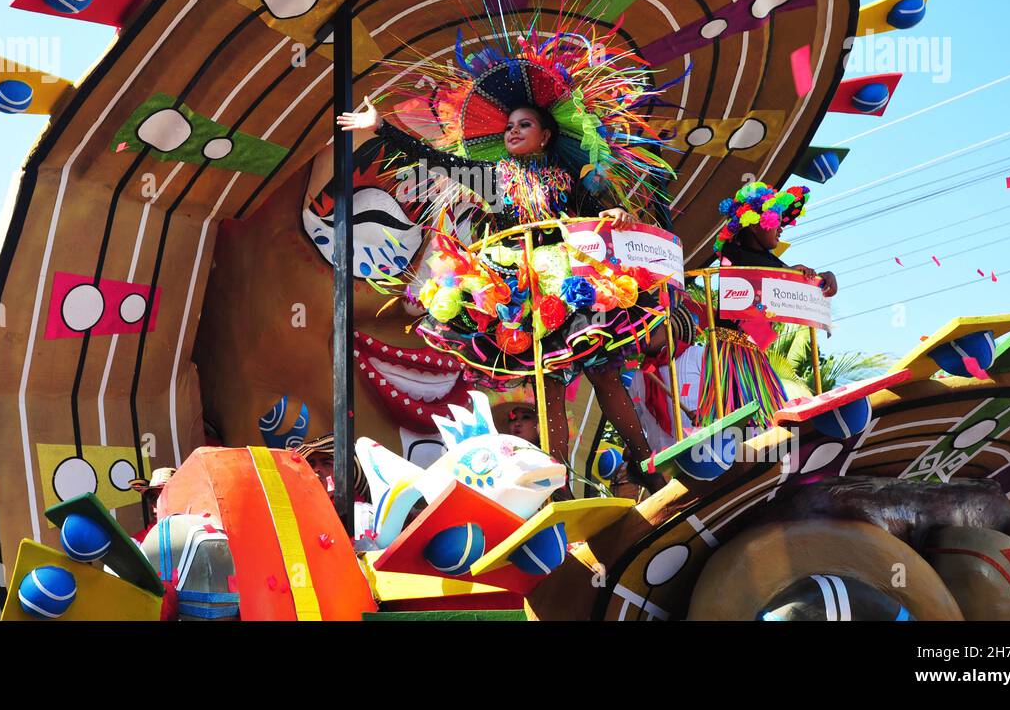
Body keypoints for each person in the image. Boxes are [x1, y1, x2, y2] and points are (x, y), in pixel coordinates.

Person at [338, 27, 690, 495]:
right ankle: (558, 483)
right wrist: (381, 127)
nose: (513, 131)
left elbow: (597, 212)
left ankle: (646, 461)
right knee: (546, 386)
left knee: (604, 372)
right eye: (508, 127)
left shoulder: (572, 174)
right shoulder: (492, 178)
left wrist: (616, 213)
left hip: (578, 284)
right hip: (522, 290)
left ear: (546, 134)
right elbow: (429, 156)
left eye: (524, 125)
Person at [699, 181, 838, 426]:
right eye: (777, 221)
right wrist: (789, 272)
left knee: (766, 412)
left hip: (753, 351)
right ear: (754, 224)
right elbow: (758, 269)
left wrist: (824, 277)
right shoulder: (733, 252)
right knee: (733, 414)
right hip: (729, 352)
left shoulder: (766, 260)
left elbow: (786, 275)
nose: (782, 228)